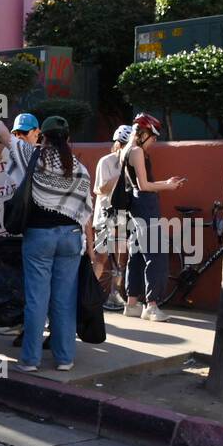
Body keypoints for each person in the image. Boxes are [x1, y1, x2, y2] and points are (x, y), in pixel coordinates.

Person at [0, 115, 94, 372]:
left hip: (39, 236)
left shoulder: (34, 156)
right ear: (69, 139)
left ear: (43, 136)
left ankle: (30, 360)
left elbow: (6, 137)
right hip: (71, 236)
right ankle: (64, 358)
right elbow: (86, 210)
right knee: (64, 299)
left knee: (37, 299)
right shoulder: (80, 168)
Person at [120, 112, 185, 322]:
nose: (155, 142)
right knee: (156, 254)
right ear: (144, 133)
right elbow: (144, 185)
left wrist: (165, 182)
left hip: (135, 206)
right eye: (154, 137)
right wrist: (167, 186)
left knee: (137, 255)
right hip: (145, 205)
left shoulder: (126, 150)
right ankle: (152, 305)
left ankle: (131, 304)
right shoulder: (137, 151)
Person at [92, 124, 134, 311]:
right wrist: (120, 173)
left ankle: (115, 293)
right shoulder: (106, 162)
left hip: (123, 214)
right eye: (123, 144)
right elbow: (99, 189)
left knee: (120, 255)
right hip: (105, 214)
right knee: (101, 256)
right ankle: (90, 294)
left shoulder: (133, 163)